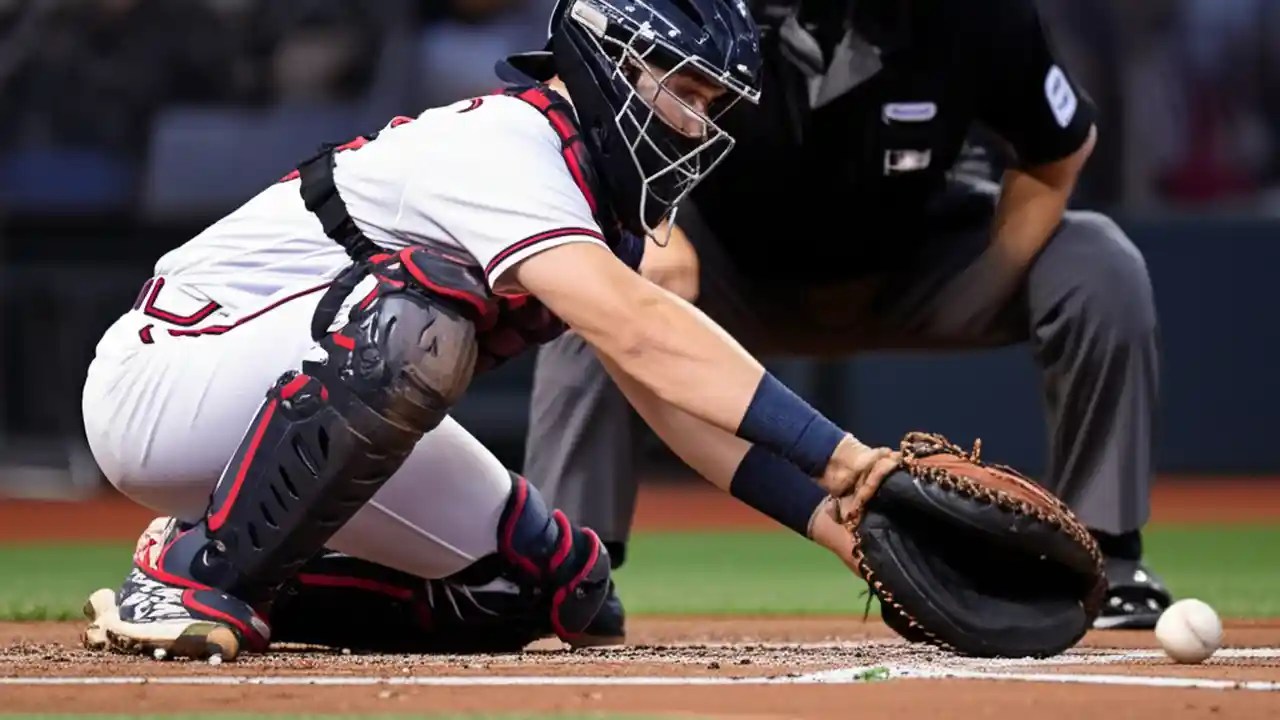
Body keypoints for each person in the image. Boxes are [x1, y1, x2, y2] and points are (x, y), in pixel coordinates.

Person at [78, 0, 900, 661]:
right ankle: (196, 575)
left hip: (284, 396)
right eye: (682, 88)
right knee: (413, 320)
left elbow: (670, 398)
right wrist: (849, 459)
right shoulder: (511, 142)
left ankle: (226, 562)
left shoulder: (592, 201)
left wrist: (837, 523)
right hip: (166, 383)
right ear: (609, 56)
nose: (694, 123)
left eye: (711, 105)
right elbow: (649, 329)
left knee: (557, 586)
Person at [523, 0, 1174, 633]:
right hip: (729, 267)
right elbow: (601, 97)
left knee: (1099, 264)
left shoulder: (978, 12)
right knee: (600, 294)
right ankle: (571, 569)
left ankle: (1110, 558)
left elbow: (1058, 150)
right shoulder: (714, 4)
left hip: (917, 260)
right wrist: (657, 225)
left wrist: (989, 279)